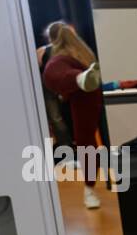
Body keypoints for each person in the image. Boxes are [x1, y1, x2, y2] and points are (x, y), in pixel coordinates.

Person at [40, 21, 104, 209]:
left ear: (51, 38)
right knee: (86, 140)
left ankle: (89, 189)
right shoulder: (82, 51)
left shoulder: (57, 56)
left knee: (84, 140)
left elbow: (49, 74)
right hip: (80, 94)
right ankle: (89, 188)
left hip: (76, 93)